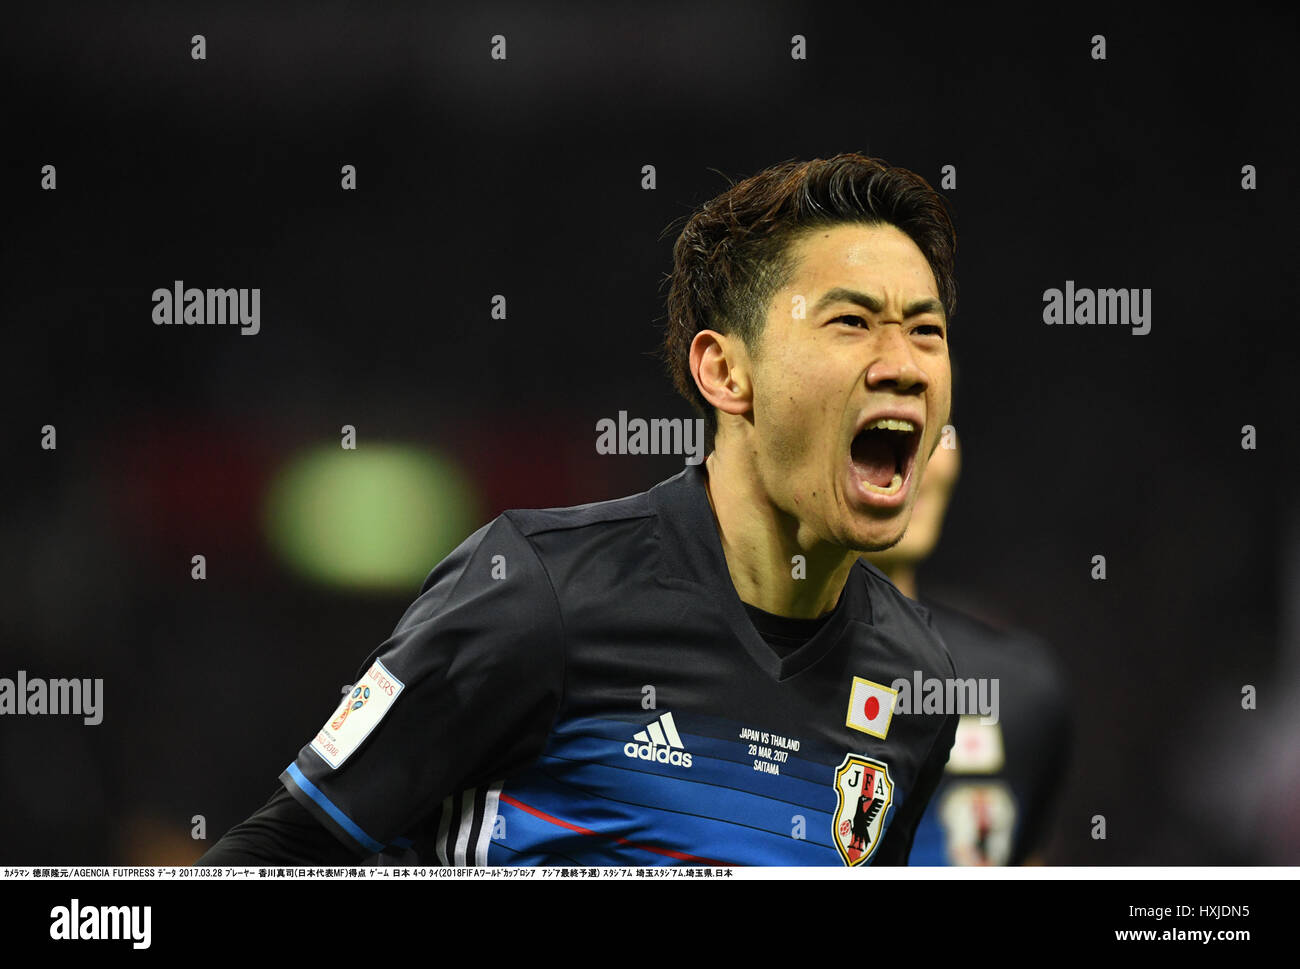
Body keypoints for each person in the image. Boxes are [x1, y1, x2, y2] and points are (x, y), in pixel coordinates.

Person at [199, 152, 961, 867]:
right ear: (726, 373)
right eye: (852, 322)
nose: (904, 365)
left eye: (926, 331)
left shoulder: (915, 680)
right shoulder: (540, 594)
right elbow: (282, 851)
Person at [864, 433, 1071, 865]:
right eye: (875, 434)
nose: (913, 463)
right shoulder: (701, 669)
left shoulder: (1019, 689)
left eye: (935, 428)